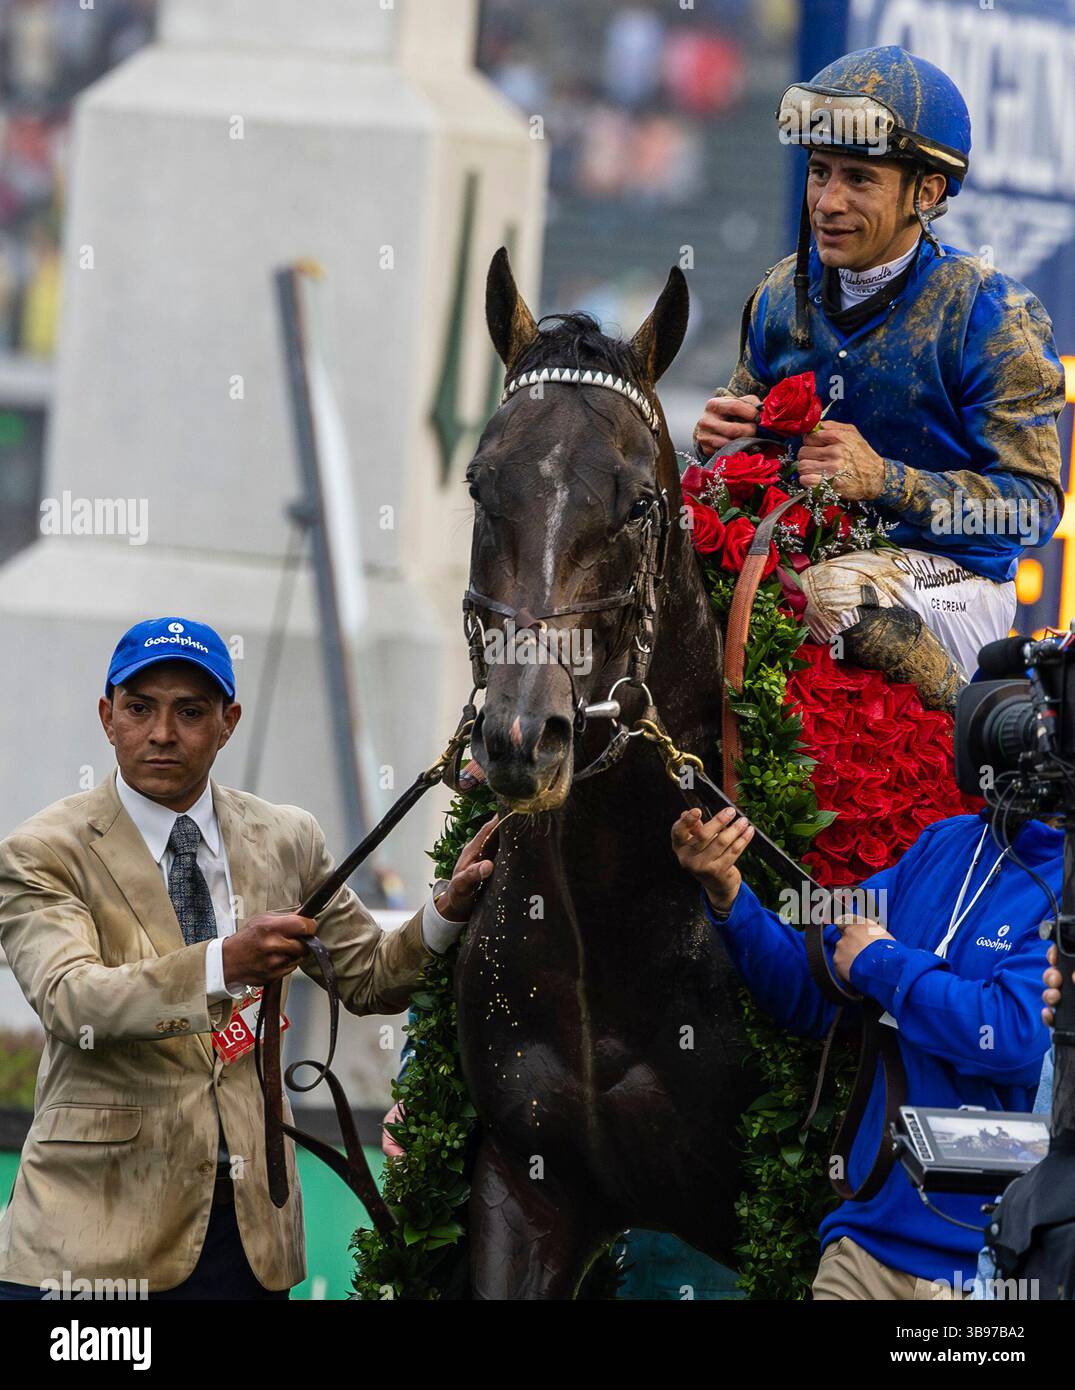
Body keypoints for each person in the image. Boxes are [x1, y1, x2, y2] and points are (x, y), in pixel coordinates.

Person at [0, 616, 496, 1300]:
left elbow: (373, 978)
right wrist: (224, 963)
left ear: (228, 721)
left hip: (250, 1242)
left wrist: (445, 911)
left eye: (190, 711)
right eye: (140, 708)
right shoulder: (42, 849)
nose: (163, 733)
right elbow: (72, 1000)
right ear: (106, 716)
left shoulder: (288, 836)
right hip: (88, 1244)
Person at [693, 45, 1065, 711]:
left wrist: (887, 482)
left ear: (925, 194)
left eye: (858, 179)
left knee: (833, 592)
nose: (827, 202)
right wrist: (722, 440)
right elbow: (744, 430)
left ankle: (961, 745)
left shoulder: (991, 313)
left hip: (958, 579)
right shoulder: (779, 293)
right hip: (808, 558)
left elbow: (1031, 509)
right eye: (818, 173)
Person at [672, 800, 1061, 1300]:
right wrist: (729, 895)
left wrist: (883, 963)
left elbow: (1014, 1036)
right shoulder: (946, 842)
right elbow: (809, 988)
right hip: (862, 1249)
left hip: (993, 1271)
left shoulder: (1064, 880)